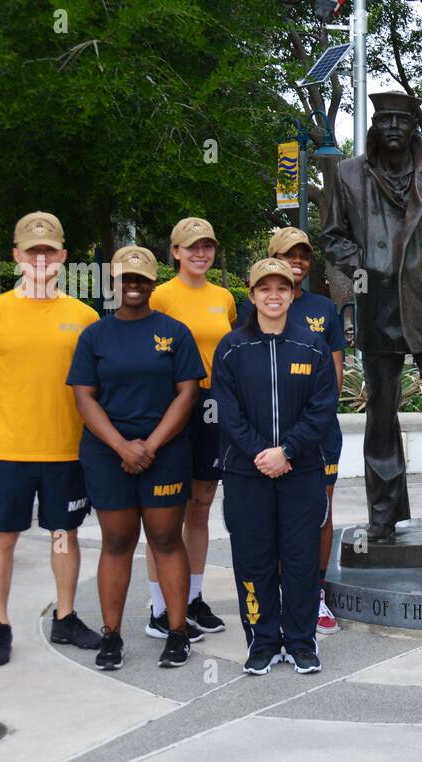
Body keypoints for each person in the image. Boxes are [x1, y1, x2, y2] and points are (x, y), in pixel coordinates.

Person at [322, 91, 422, 543]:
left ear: (414, 125)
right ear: (374, 124)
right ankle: (383, 515)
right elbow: (332, 236)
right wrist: (361, 263)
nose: (393, 126)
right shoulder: (349, 175)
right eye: (385, 119)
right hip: (378, 310)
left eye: (401, 119)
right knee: (380, 417)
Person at [0, 212, 102, 666]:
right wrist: (9, 415)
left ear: (62, 256)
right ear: (18, 255)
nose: (40, 258)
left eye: (49, 251)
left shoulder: (83, 316)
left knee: (64, 535)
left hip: (65, 450)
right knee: (3, 538)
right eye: (31, 251)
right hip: (7, 451)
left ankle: (65, 616)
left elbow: (95, 384)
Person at [67, 246, 205, 669]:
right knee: (117, 541)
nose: (133, 285)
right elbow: (84, 397)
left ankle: (176, 631)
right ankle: (111, 636)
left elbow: (188, 392)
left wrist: (151, 444)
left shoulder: (174, 332)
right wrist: (121, 446)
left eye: (141, 278)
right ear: (114, 282)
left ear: (151, 282)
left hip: (164, 451)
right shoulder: (95, 335)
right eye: (125, 278)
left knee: (165, 539)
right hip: (109, 453)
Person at [212, 258, 338, 675]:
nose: (273, 295)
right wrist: (261, 455)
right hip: (247, 473)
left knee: (300, 560)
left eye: (280, 288)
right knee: (253, 558)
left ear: (290, 294)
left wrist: (287, 451)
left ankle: (301, 642)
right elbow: (227, 413)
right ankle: (262, 641)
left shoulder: (311, 346)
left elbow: (322, 409)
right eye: (264, 288)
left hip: (300, 472)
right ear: (251, 295)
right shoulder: (231, 347)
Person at [238, 226, 346, 635]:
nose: (298, 260)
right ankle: (276, 598)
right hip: (265, 442)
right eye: (289, 253)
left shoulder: (324, 309)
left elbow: (332, 381)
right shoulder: (254, 310)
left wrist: (300, 437)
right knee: (273, 519)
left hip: (315, 436)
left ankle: (313, 595)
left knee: (318, 514)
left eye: (303, 253)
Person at [144, 216, 236, 639]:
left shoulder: (224, 298)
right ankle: (160, 607)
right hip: (172, 405)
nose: (201, 253)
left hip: (214, 406)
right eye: (191, 246)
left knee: (199, 508)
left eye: (207, 246)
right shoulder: (160, 296)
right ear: (175, 252)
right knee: (166, 515)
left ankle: (194, 598)